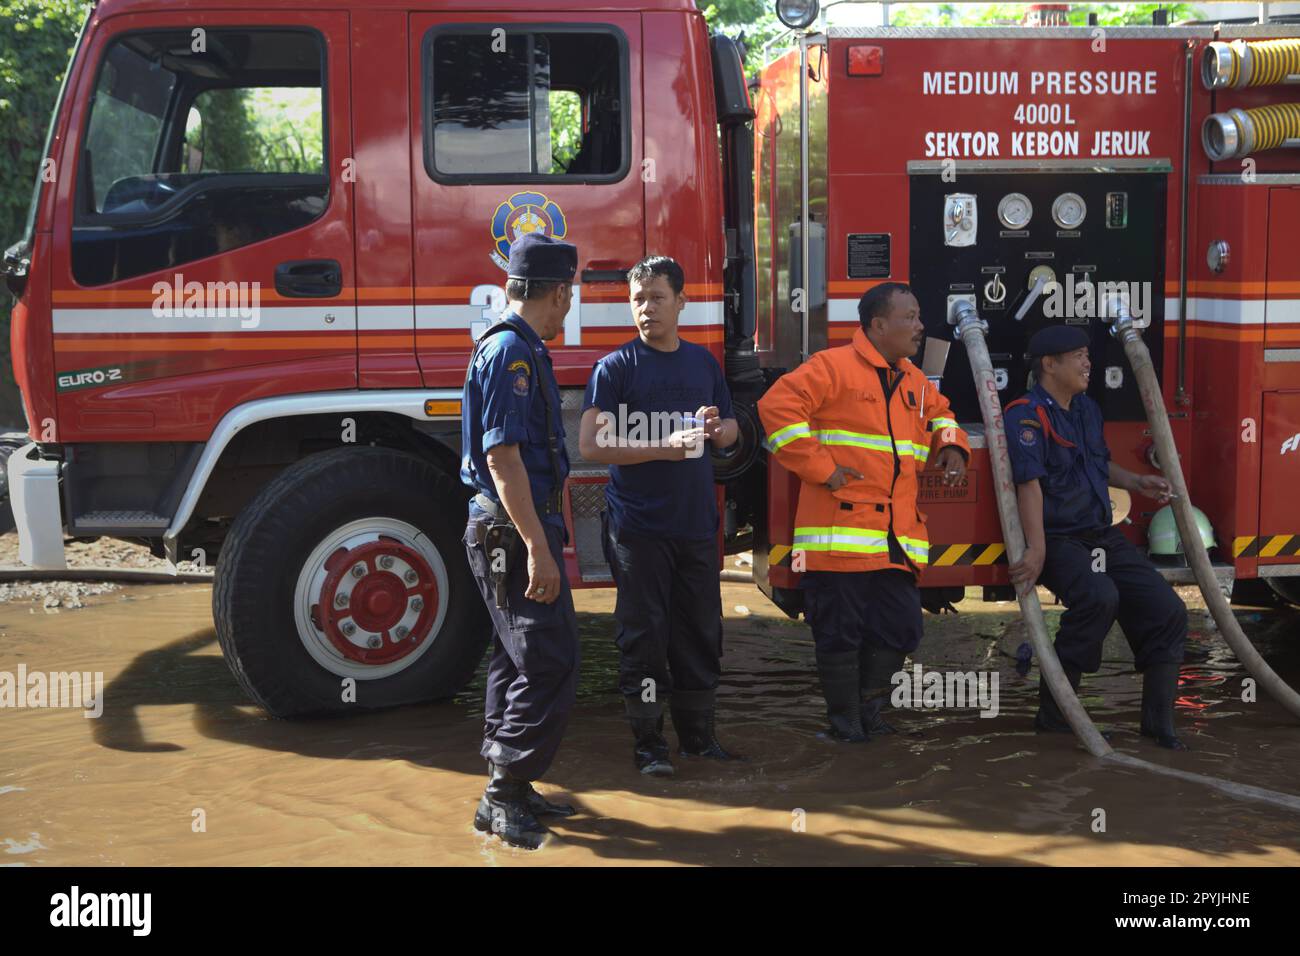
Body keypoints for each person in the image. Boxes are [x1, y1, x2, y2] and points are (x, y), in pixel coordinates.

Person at [758, 282, 970, 741]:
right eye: (909, 317)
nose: (919, 326)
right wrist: (823, 468)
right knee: (839, 635)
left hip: (895, 538)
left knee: (900, 628)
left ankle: (869, 713)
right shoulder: (832, 367)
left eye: (918, 316)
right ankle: (845, 726)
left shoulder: (911, 379)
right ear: (878, 325)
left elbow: (942, 415)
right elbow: (775, 408)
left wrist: (952, 446)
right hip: (840, 537)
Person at [578, 255, 741, 775]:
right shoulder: (615, 368)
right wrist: (663, 447)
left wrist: (719, 431)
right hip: (638, 529)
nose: (646, 309)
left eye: (657, 298)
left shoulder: (703, 364)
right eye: (638, 300)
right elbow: (591, 444)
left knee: (698, 634)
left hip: (695, 526)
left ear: (681, 302)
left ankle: (699, 741)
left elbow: (733, 432)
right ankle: (649, 748)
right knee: (644, 637)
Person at [1004, 324, 1188, 750]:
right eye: (1079, 357)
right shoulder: (1025, 415)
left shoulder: (1085, 408)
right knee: (1098, 597)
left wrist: (1137, 480)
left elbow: (1099, 465)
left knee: (1168, 611)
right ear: (1050, 365)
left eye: (1088, 355)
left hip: (1100, 535)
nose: (1089, 363)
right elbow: (1027, 484)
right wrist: (1036, 549)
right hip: (1059, 539)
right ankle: (1057, 717)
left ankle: (1159, 727)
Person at [461, 232, 580, 849]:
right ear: (559, 291)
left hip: (507, 527)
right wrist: (538, 546)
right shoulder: (512, 351)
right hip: (511, 531)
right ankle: (503, 795)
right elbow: (503, 457)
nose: (569, 308)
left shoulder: (511, 343)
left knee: (514, 656)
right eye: (570, 295)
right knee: (549, 656)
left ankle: (508, 784)